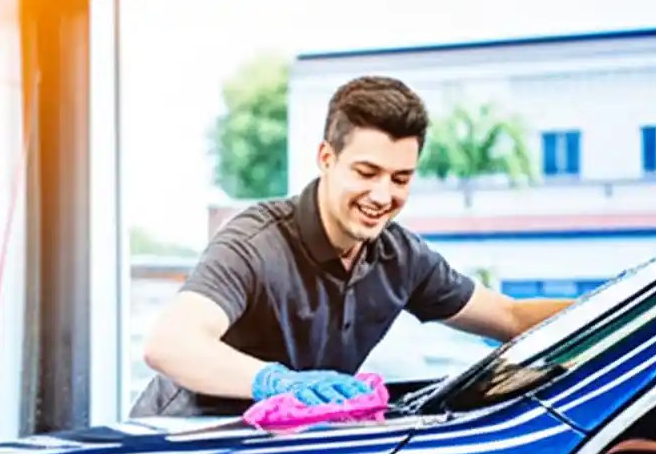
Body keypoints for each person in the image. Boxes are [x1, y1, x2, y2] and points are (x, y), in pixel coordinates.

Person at [131, 75, 574, 418]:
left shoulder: (400, 257)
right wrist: (276, 382)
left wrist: (633, 302)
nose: (382, 196)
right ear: (327, 158)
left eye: (400, 179)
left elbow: (510, 317)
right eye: (366, 172)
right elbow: (169, 344)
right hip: (184, 451)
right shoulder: (255, 242)